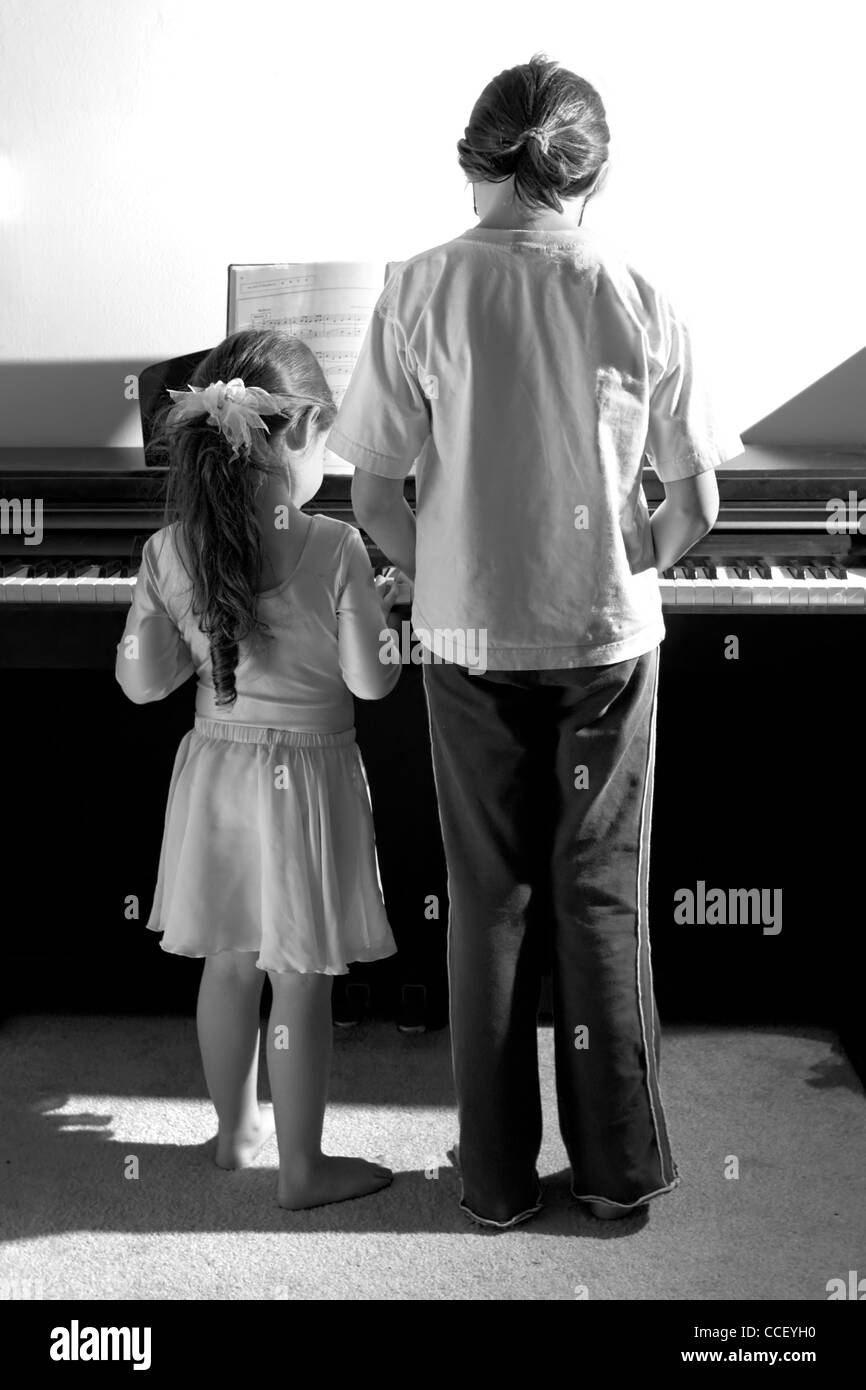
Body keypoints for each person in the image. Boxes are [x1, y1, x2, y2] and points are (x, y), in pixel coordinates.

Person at [327, 53, 743, 1227]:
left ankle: (496, 1180)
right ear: (588, 173)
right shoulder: (640, 293)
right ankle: (617, 1174)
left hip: (466, 641)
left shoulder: (419, 286)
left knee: (488, 898)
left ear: (475, 154)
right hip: (607, 644)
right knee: (600, 894)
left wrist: (451, 573)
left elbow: (372, 499)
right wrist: (612, 566)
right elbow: (696, 504)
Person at [115, 329, 403, 1210]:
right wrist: (385, 613)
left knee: (230, 963)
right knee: (301, 979)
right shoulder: (336, 546)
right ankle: (305, 1169)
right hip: (307, 787)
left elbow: (140, 681)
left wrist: (157, 613)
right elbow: (373, 681)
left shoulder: (171, 548)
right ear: (306, 426)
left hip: (216, 779)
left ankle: (236, 1135)